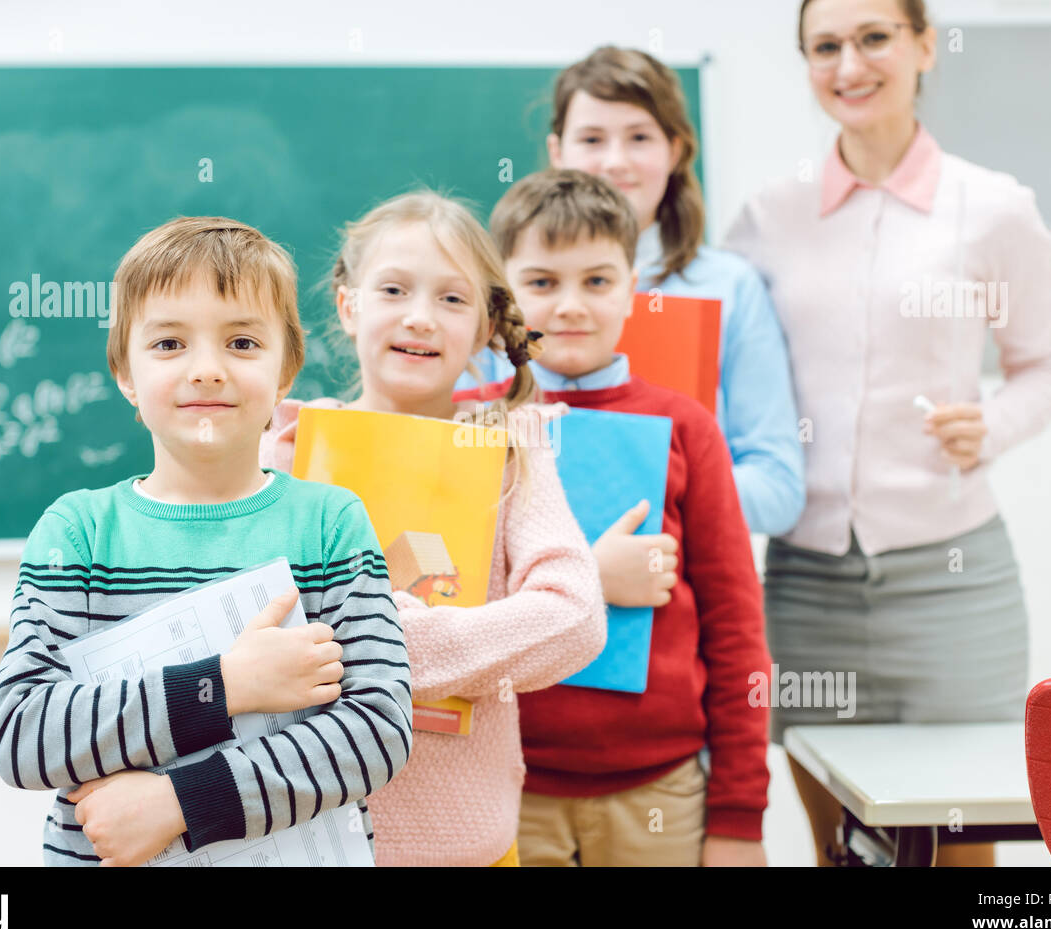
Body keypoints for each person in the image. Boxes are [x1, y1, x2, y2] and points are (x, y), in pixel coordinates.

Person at [724, 0, 1051, 866]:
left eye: (875, 37)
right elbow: (723, 358)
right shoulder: (770, 215)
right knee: (840, 846)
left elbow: (1049, 364)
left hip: (954, 581)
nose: (850, 64)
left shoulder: (993, 208)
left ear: (925, 46)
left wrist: (990, 424)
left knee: (960, 839)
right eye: (826, 46)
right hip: (805, 583)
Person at [0, 216, 412, 866]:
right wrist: (223, 685)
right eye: (168, 344)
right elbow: (21, 734)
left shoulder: (331, 524)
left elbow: (379, 730)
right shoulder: (77, 533)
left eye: (242, 342)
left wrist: (180, 803)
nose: (207, 369)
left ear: (285, 370)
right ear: (125, 373)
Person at [260, 190, 607, 866]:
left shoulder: (511, 449)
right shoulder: (292, 447)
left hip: (471, 848)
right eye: (394, 289)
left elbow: (576, 617)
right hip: (312, 841)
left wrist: (386, 644)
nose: (420, 317)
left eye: (453, 299)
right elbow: (265, 630)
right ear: (349, 303)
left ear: (484, 327)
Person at [460, 168, 771, 866]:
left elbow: (736, 630)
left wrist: (739, 817)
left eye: (598, 281)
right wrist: (589, 581)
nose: (570, 305)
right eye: (542, 282)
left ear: (634, 288)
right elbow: (442, 607)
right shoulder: (470, 423)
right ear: (503, 293)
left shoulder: (686, 426)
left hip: (660, 790)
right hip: (507, 783)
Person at [458, 46, 804, 537]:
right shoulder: (506, 285)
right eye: (592, 138)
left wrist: (646, 483)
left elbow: (778, 488)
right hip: (529, 578)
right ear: (558, 153)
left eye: (639, 137)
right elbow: (452, 442)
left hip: (677, 579)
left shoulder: (732, 287)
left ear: (676, 150)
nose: (615, 161)